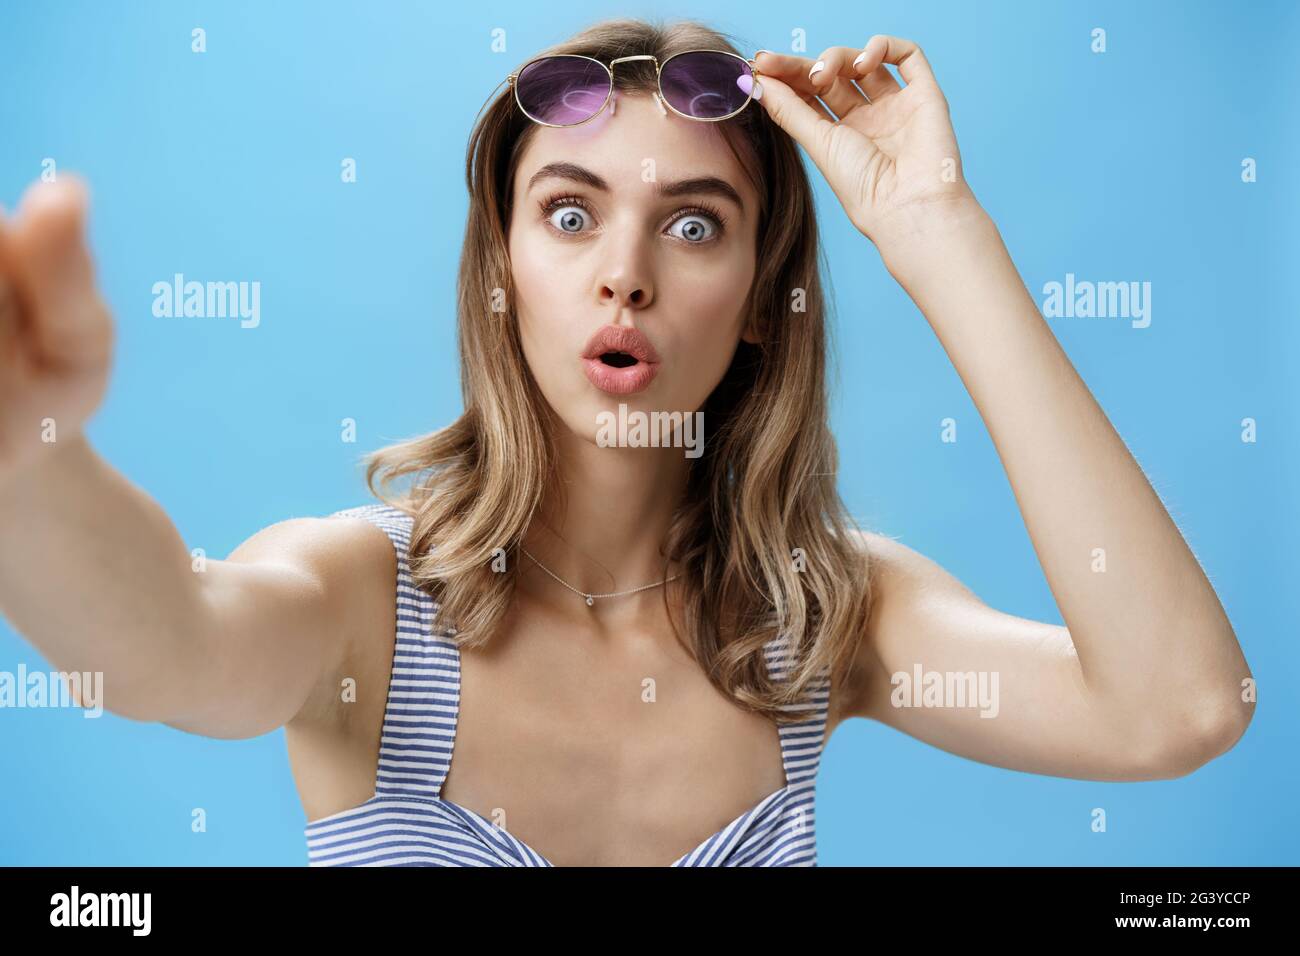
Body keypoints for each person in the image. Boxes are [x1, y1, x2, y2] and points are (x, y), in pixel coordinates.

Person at [0, 17, 1253, 867]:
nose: (623, 277)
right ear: (503, 268)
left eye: (695, 226)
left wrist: (934, 231)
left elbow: (1179, 709)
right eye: (567, 214)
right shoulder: (363, 603)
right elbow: (158, 647)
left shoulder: (827, 619)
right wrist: (30, 449)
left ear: (764, 295)